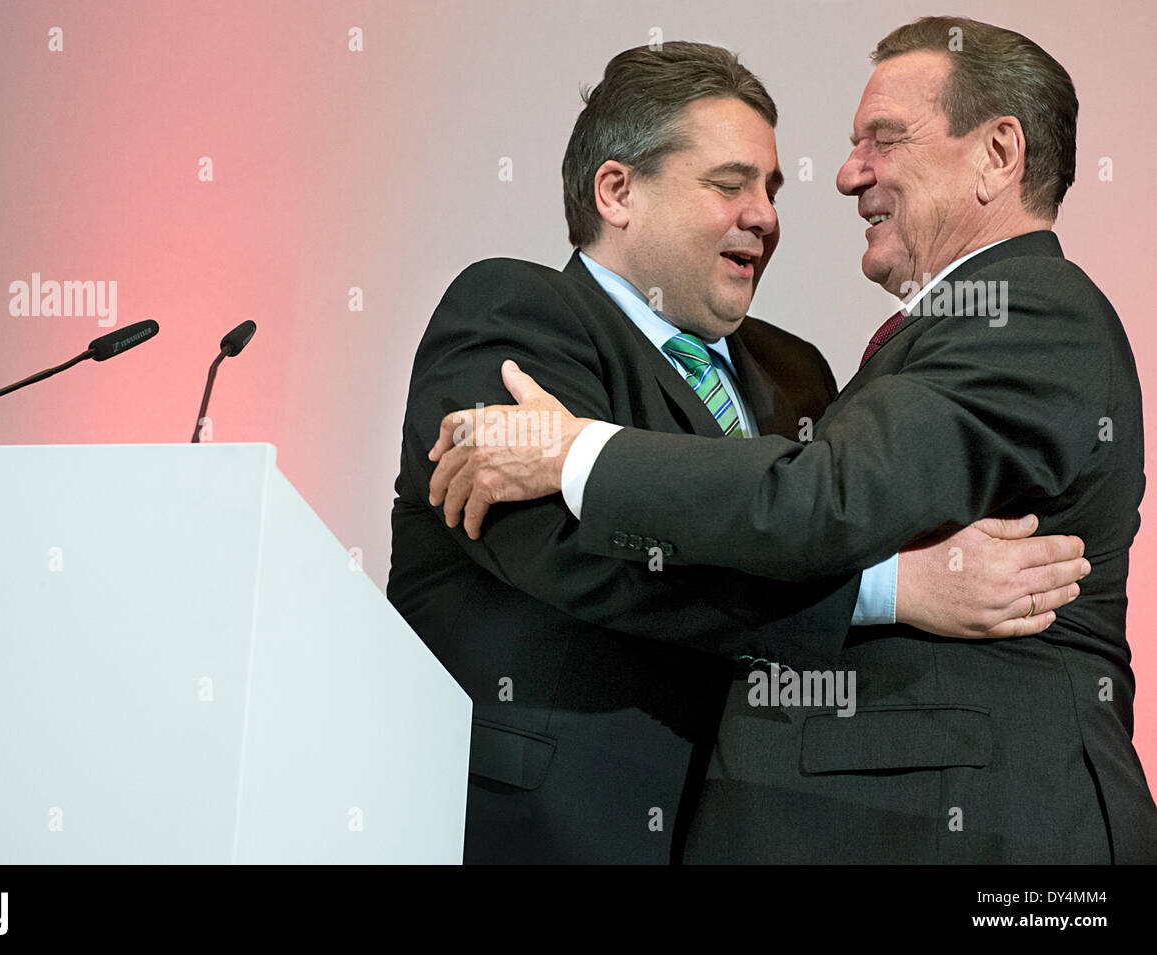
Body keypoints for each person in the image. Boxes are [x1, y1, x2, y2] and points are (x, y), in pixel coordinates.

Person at [428, 19, 1155, 863]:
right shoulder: (511, 318)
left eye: (883, 139)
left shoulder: (987, 320)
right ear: (618, 191)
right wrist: (891, 586)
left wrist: (573, 450)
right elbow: (563, 546)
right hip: (568, 828)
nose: (822, 189)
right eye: (731, 182)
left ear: (998, 154)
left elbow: (814, 505)